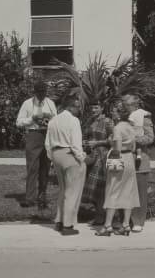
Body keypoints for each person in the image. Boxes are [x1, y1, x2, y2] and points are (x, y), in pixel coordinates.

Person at [96, 103, 141, 236]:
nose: (112, 114)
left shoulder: (117, 128)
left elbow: (117, 148)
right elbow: (133, 147)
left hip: (118, 157)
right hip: (129, 159)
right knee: (128, 190)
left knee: (112, 190)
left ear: (120, 114)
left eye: (114, 111)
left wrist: (111, 143)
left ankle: (107, 225)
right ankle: (126, 225)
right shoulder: (130, 127)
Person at [45, 98, 87, 236]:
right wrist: (82, 158)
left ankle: (59, 220)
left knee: (63, 189)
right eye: (77, 106)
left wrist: (52, 158)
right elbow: (76, 143)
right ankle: (67, 225)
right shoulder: (73, 121)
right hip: (69, 154)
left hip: (56, 154)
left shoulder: (53, 121)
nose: (79, 110)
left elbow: (47, 143)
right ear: (70, 107)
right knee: (72, 191)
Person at [15, 82, 57, 207]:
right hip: (33, 135)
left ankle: (42, 196)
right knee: (32, 167)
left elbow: (56, 120)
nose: (42, 95)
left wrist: (48, 119)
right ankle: (30, 198)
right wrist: (32, 119)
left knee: (45, 167)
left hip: (47, 135)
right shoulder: (27, 103)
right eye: (39, 92)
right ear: (35, 92)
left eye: (44, 92)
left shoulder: (50, 103)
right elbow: (18, 122)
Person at [125, 94, 155, 232]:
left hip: (140, 159)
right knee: (126, 190)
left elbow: (150, 138)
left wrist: (134, 140)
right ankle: (127, 219)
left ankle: (138, 221)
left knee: (140, 191)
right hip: (125, 157)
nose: (125, 107)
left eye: (127, 104)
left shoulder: (144, 117)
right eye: (124, 104)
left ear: (135, 105)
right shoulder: (124, 118)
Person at [82, 103, 115, 226]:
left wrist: (98, 142)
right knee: (92, 188)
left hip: (103, 156)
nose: (93, 110)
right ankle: (99, 214)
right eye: (92, 107)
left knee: (99, 187)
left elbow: (113, 139)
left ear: (102, 109)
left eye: (96, 107)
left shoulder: (108, 121)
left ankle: (101, 217)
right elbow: (87, 136)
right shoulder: (90, 121)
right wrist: (85, 142)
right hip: (91, 156)